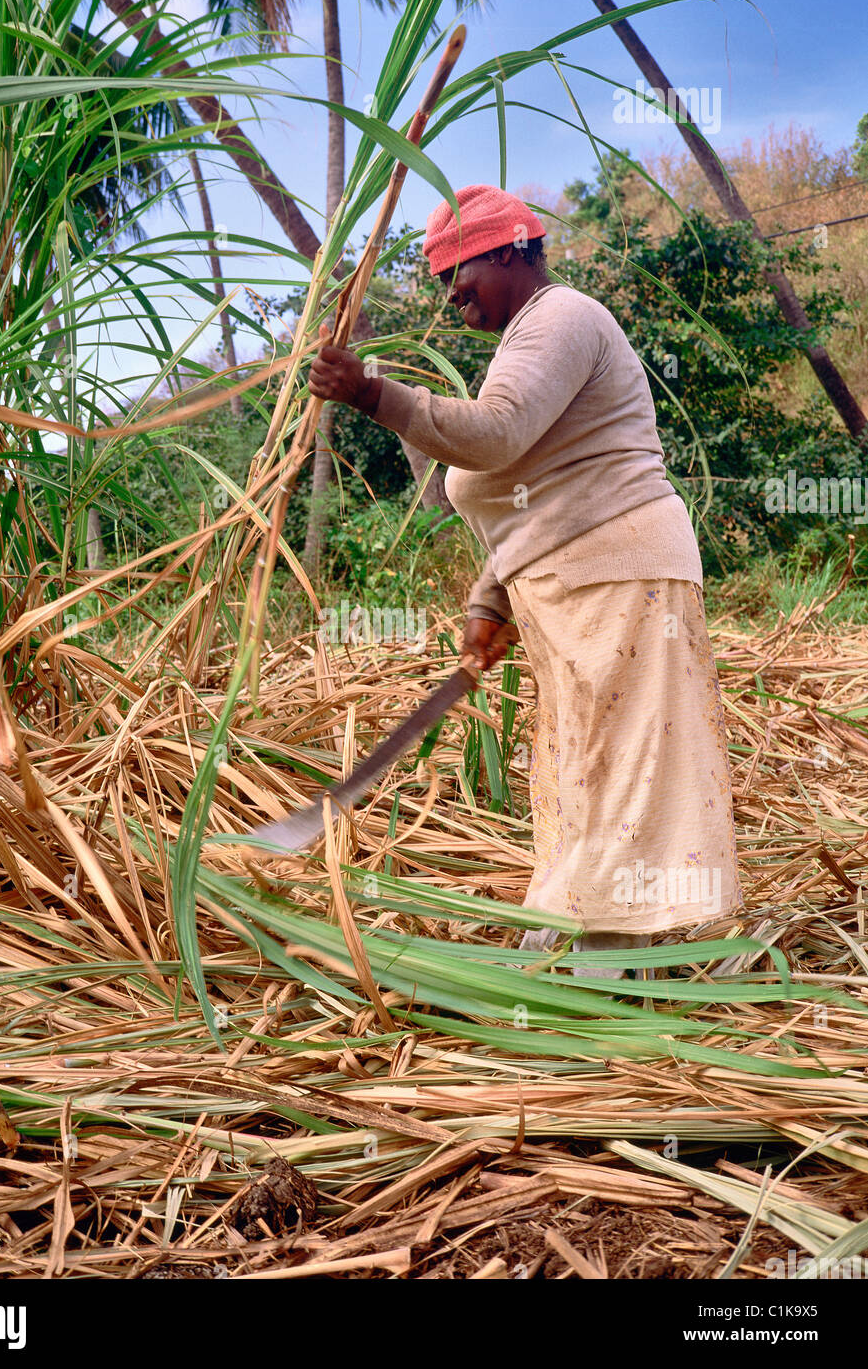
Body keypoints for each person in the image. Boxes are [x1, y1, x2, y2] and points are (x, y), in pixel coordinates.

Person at [308, 184, 743, 976]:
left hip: (622, 575)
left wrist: (372, 392)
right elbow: (529, 491)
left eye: (458, 273)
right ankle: (568, 925)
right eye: (441, 282)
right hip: (569, 584)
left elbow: (495, 439)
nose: (450, 296)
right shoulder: (526, 342)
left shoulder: (562, 319)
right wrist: (489, 600)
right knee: (576, 762)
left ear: (509, 249)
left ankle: (608, 963)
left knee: (619, 761)